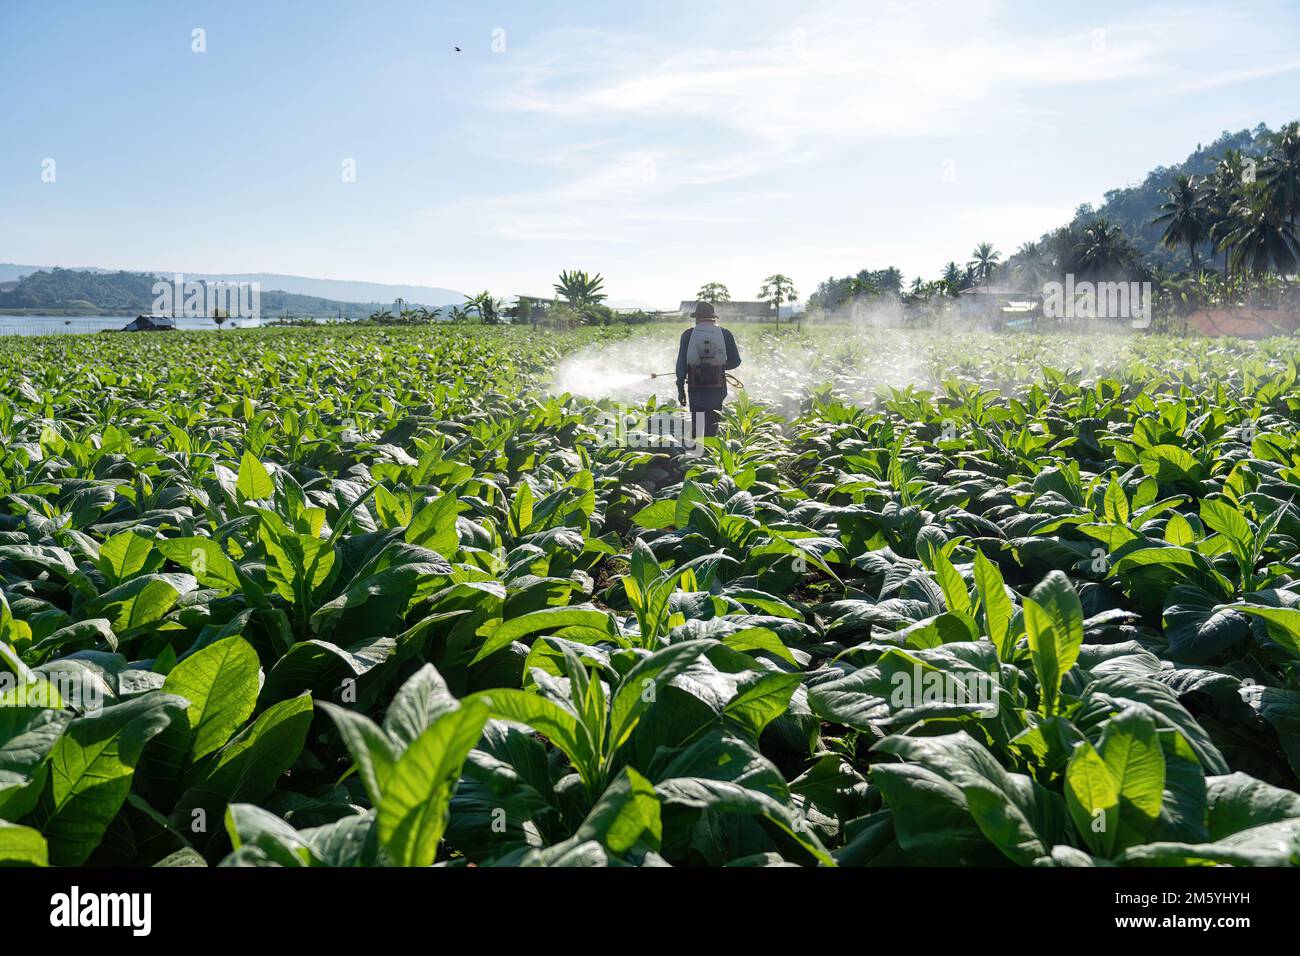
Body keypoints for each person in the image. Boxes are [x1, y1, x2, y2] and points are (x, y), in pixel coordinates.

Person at [676, 302, 742, 439]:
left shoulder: (688, 335)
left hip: (696, 390)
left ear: (697, 318)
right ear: (713, 317)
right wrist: (720, 367)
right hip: (717, 390)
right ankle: (710, 454)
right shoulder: (725, 334)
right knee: (712, 425)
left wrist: (680, 389)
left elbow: (681, 365)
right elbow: (736, 361)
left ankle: (697, 454)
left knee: (697, 424)